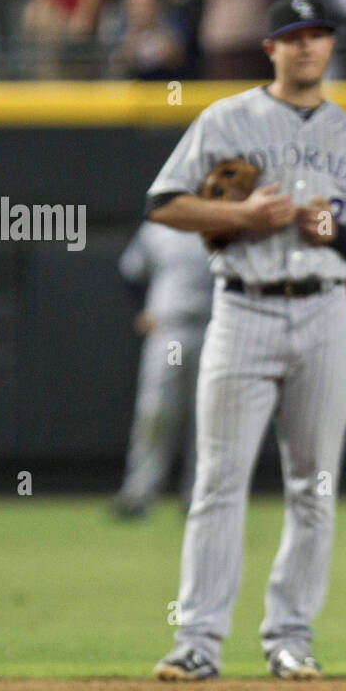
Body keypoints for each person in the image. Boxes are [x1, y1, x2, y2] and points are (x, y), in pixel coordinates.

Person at [147, 0, 346, 681]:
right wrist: (244, 214)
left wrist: (338, 233)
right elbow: (163, 203)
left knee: (313, 486)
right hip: (243, 309)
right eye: (294, 36)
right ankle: (197, 641)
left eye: (318, 35)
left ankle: (291, 639)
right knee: (217, 482)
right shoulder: (225, 118)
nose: (308, 47)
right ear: (271, 49)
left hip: (323, 311)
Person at [111, 220, 214, 520]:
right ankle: (138, 494)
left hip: (212, 327)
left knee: (206, 416)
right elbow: (130, 272)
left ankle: (199, 496)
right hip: (170, 330)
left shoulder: (222, 224)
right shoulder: (157, 229)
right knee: (156, 411)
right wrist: (140, 310)